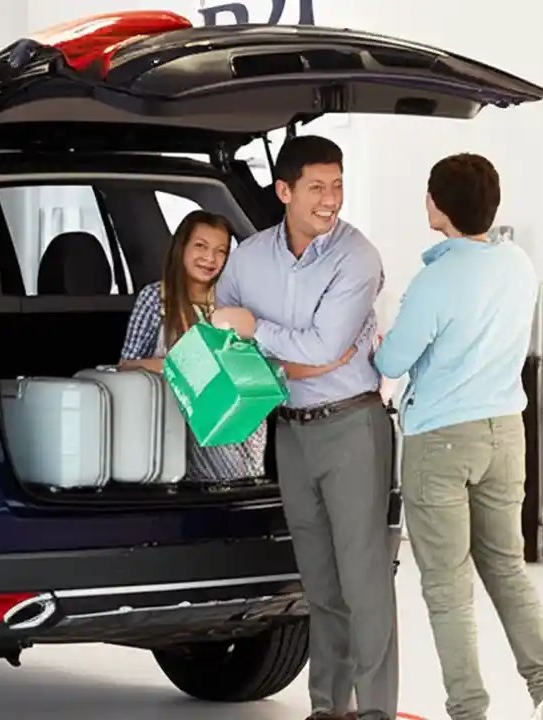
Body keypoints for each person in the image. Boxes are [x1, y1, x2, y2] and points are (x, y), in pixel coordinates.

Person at [210, 135, 398, 720]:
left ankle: (375, 713)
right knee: (318, 583)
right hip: (288, 430)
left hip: (352, 428)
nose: (330, 199)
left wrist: (258, 332)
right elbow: (222, 336)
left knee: (365, 582)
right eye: (317, 186)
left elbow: (320, 344)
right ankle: (327, 708)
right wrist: (292, 355)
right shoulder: (249, 257)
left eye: (337, 185)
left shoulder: (356, 257)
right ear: (284, 190)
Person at [373, 153, 543, 720]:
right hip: (507, 434)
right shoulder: (518, 265)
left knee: (448, 586)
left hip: (441, 441)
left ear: (437, 207)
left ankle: (469, 710)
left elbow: (392, 358)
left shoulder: (435, 280)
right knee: (506, 567)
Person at [118, 210, 353, 484]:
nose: (210, 258)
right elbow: (125, 370)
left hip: (238, 430)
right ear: (181, 247)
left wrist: (331, 362)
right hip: (169, 433)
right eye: (200, 246)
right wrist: (182, 368)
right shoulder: (156, 299)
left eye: (221, 251)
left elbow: (272, 366)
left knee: (238, 490)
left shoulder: (238, 305)